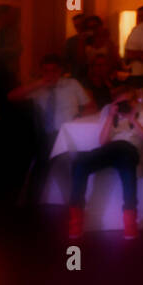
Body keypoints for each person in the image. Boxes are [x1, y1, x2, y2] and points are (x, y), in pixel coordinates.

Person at [67, 87, 143, 241]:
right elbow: (102, 142)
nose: (124, 106)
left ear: (134, 102)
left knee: (125, 158)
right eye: (119, 103)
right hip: (109, 151)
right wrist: (110, 117)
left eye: (127, 102)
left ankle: (130, 224)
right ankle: (76, 222)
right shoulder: (109, 115)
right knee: (79, 163)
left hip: (130, 150)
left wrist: (132, 119)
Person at [9, 54, 94, 208]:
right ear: (41, 72)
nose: (50, 74)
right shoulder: (38, 88)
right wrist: (40, 84)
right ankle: (32, 203)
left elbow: (90, 106)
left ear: (60, 71)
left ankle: (71, 202)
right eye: (46, 71)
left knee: (47, 156)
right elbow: (12, 97)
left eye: (54, 71)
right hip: (46, 135)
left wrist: (80, 117)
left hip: (70, 133)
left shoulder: (72, 84)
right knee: (43, 152)